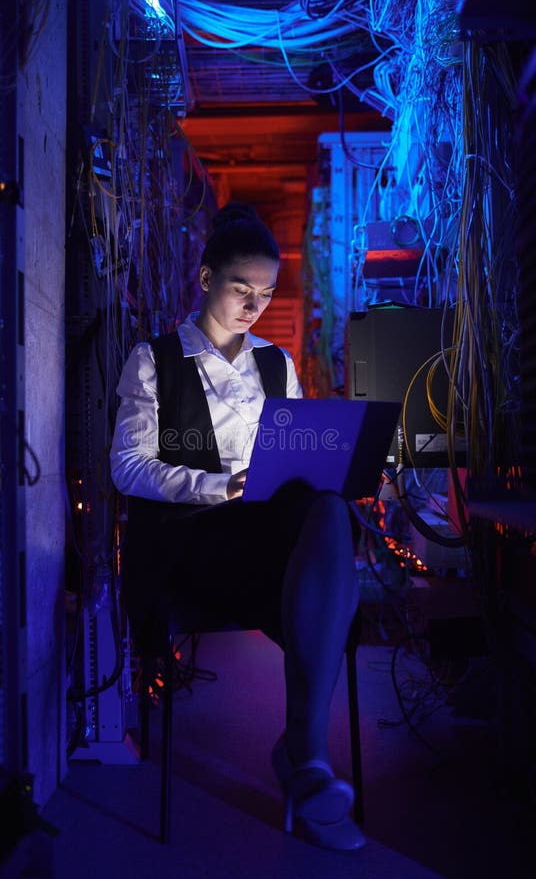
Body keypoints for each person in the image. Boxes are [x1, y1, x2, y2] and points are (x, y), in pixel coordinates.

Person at [109, 201, 365, 852]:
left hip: (262, 540)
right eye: (239, 289)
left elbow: (302, 453)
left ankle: (305, 755)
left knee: (331, 511)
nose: (254, 305)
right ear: (204, 279)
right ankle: (306, 764)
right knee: (316, 575)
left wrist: (339, 467)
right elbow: (128, 466)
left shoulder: (276, 363)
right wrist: (217, 484)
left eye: (266, 293)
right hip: (187, 543)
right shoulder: (154, 359)